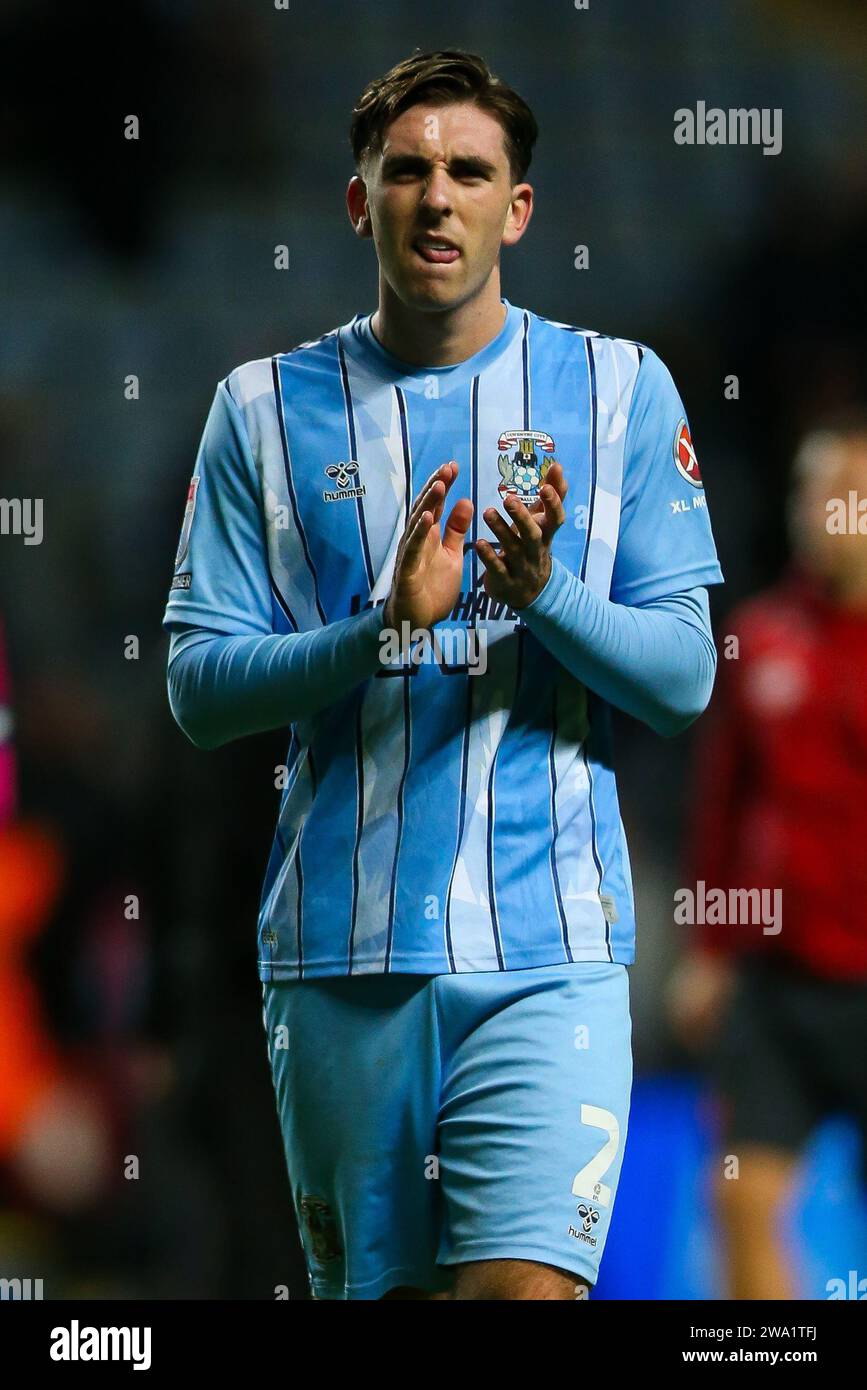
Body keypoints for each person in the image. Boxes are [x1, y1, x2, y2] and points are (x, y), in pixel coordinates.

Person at [163, 49, 724, 1300]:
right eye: (407, 170)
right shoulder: (259, 410)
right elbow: (198, 688)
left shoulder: (620, 389)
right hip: (337, 962)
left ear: (516, 208)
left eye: (470, 172)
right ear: (359, 200)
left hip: (549, 958)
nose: (438, 197)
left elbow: (684, 676)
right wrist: (376, 633)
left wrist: (548, 597)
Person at [668, 418, 867, 1300]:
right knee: (740, 1196)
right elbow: (722, 808)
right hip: (778, 978)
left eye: (840, 498)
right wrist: (706, 951)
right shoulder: (759, 637)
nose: (817, 514)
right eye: (807, 494)